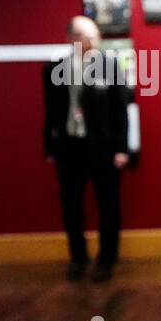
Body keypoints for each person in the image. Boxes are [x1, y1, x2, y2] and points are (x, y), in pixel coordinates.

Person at [42, 16, 130, 282]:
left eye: (95, 37)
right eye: (87, 37)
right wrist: (49, 146)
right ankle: (77, 258)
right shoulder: (53, 70)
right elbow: (50, 112)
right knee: (71, 206)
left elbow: (120, 112)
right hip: (69, 146)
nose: (93, 42)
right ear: (71, 39)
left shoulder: (110, 67)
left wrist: (122, 149)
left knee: (108, 206)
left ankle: (106, 260)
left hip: (102, 147)